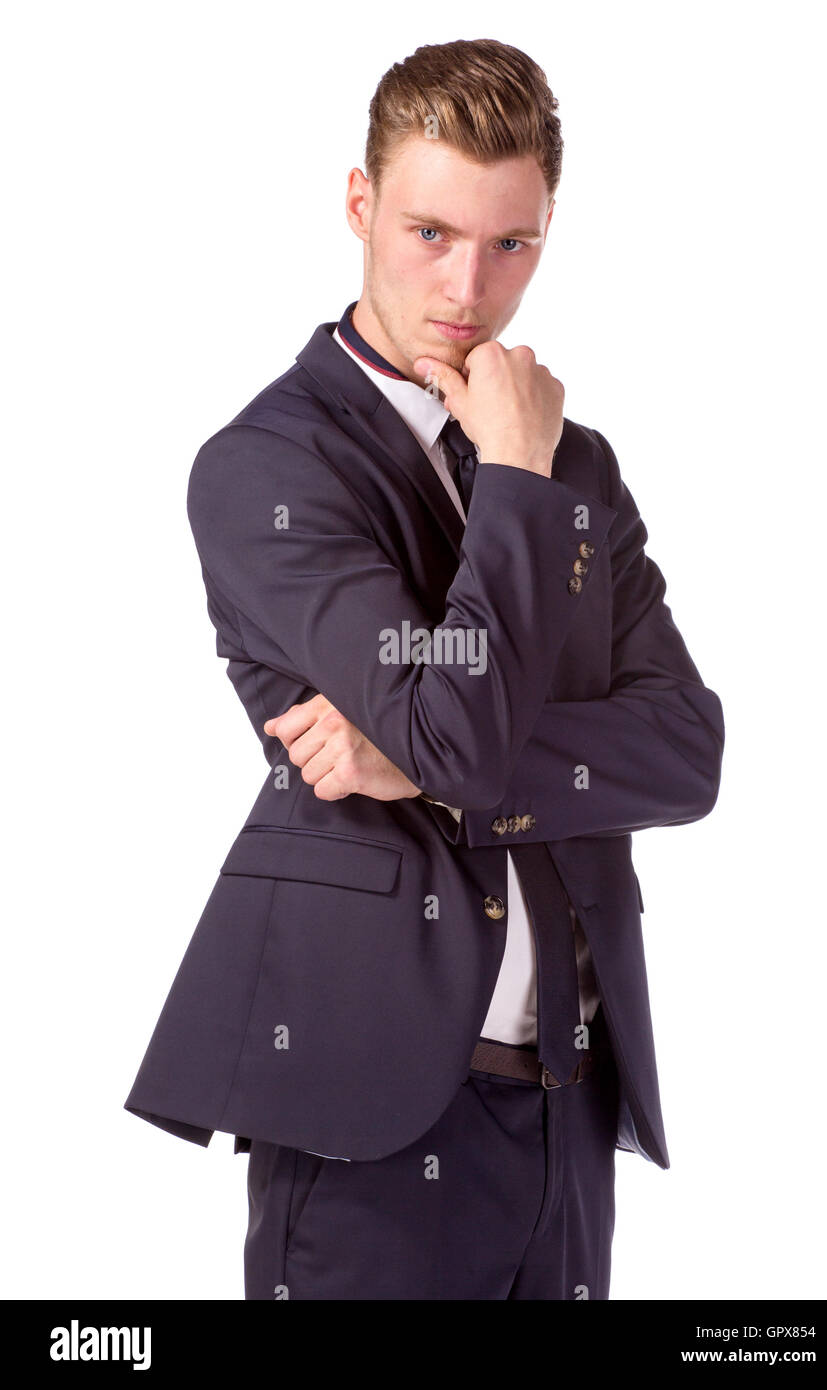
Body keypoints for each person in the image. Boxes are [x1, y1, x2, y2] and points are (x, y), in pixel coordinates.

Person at [125, 37, 724, 1300]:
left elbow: (683, 747)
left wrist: (425, 759)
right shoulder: (266, 469)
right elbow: (455, 731)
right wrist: (508, 476)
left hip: (567, 1101)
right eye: (430, 232)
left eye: (511, 244)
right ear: (358, 205)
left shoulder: (579, 465)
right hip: (371, 1125)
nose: (468, 285)